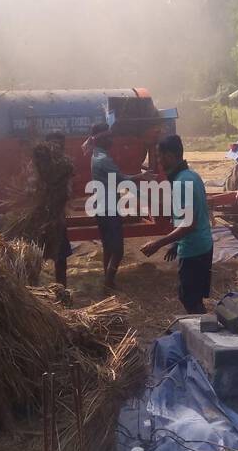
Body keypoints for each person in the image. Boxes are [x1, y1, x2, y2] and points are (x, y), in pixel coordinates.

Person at [140, 135, 214, 315]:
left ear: (170, 157)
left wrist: (157, 244)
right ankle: (203, 330)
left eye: (159, 156)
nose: (158, 161)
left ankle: (203, 336)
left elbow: (189, 224)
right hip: (204, 245)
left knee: (189, 299)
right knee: (194, 298)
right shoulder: (193, 175)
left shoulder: (181, 183)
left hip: (194, 251)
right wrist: (176, 243)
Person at [89, 122, 141, 289]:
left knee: (107, 247)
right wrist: (142, 176)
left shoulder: (95, 155)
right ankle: (109, 281)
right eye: (109, 137)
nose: (112, 140)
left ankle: (107, 277)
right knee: (118, 250)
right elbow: (122, 180)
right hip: (109, 209)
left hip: (101, 207)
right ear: (103, 139)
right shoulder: (104, 160)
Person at [44, 131, 73, 286]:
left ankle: (61, 291)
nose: (57, 148)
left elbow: (67, 193)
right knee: (34, 257)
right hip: (40, 219)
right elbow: (30, 191)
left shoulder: (65, 167)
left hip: (58, 219)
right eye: (53, 144)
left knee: (60, 258)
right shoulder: (37, 166)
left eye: (60, 145)